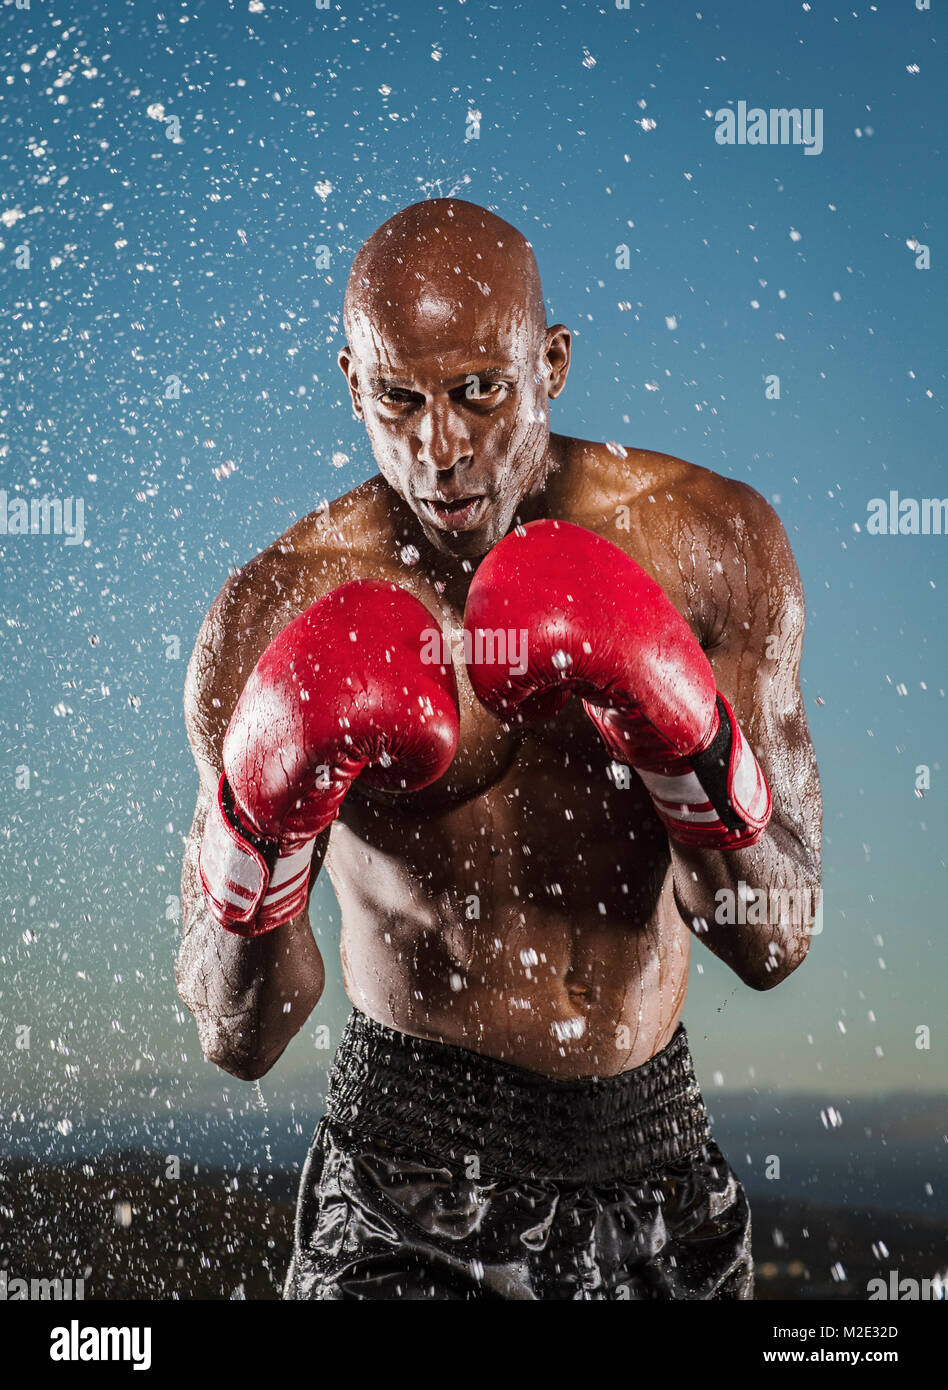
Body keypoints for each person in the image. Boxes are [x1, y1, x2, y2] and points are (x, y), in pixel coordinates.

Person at [176, 197, 822, 1300]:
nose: (441, 447)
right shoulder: (275, 610)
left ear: (552, 362)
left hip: (654, 1155)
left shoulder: (714, 543)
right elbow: (239, 1035)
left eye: (481, 391)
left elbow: (774, 940)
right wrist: (258, 830)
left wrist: (688, 740)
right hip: (405, 1165)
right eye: (399, 399)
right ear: (350, 384)